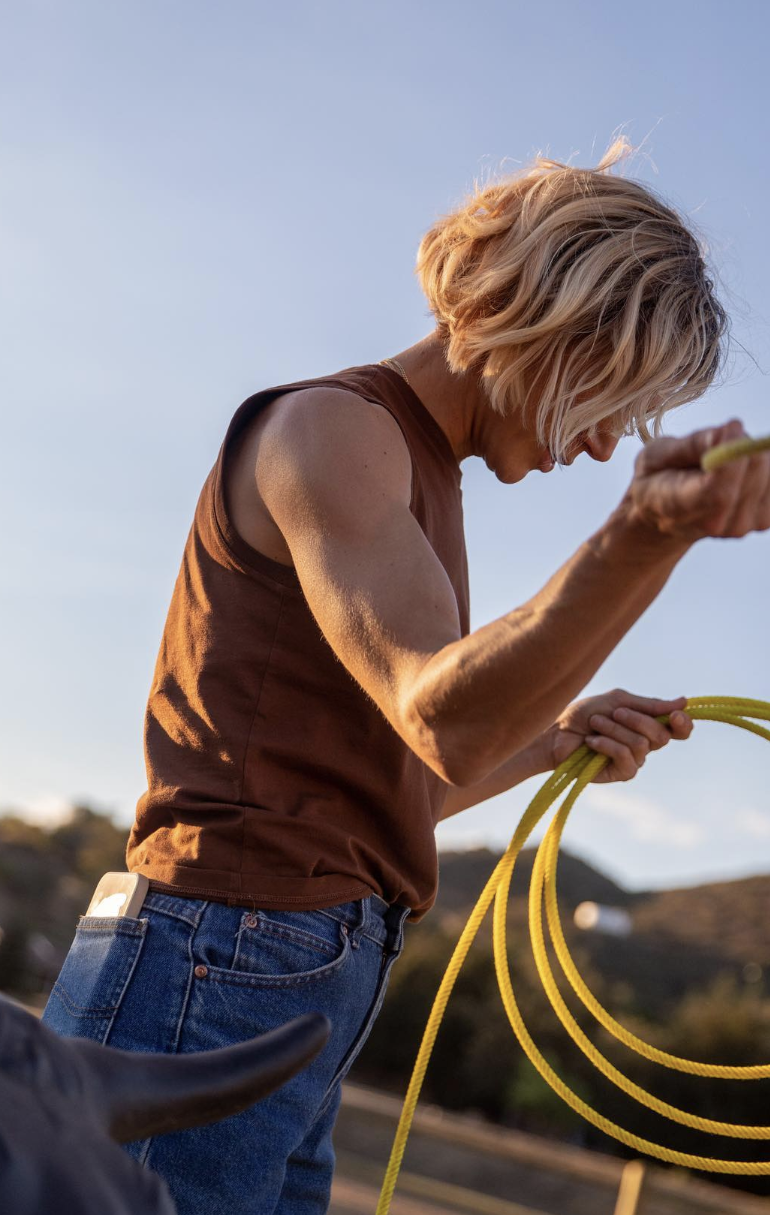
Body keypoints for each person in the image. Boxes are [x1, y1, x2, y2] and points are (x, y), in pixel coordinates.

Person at [42, 135, 770, 1215]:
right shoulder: (336, 431)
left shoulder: (424, 477)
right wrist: (639, 537)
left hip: (288, 980)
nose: (610, 440)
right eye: (612, 393)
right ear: (549, 329)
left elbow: (394, 789)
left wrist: (557, 735)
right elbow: (443, 719)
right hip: (213, 968)